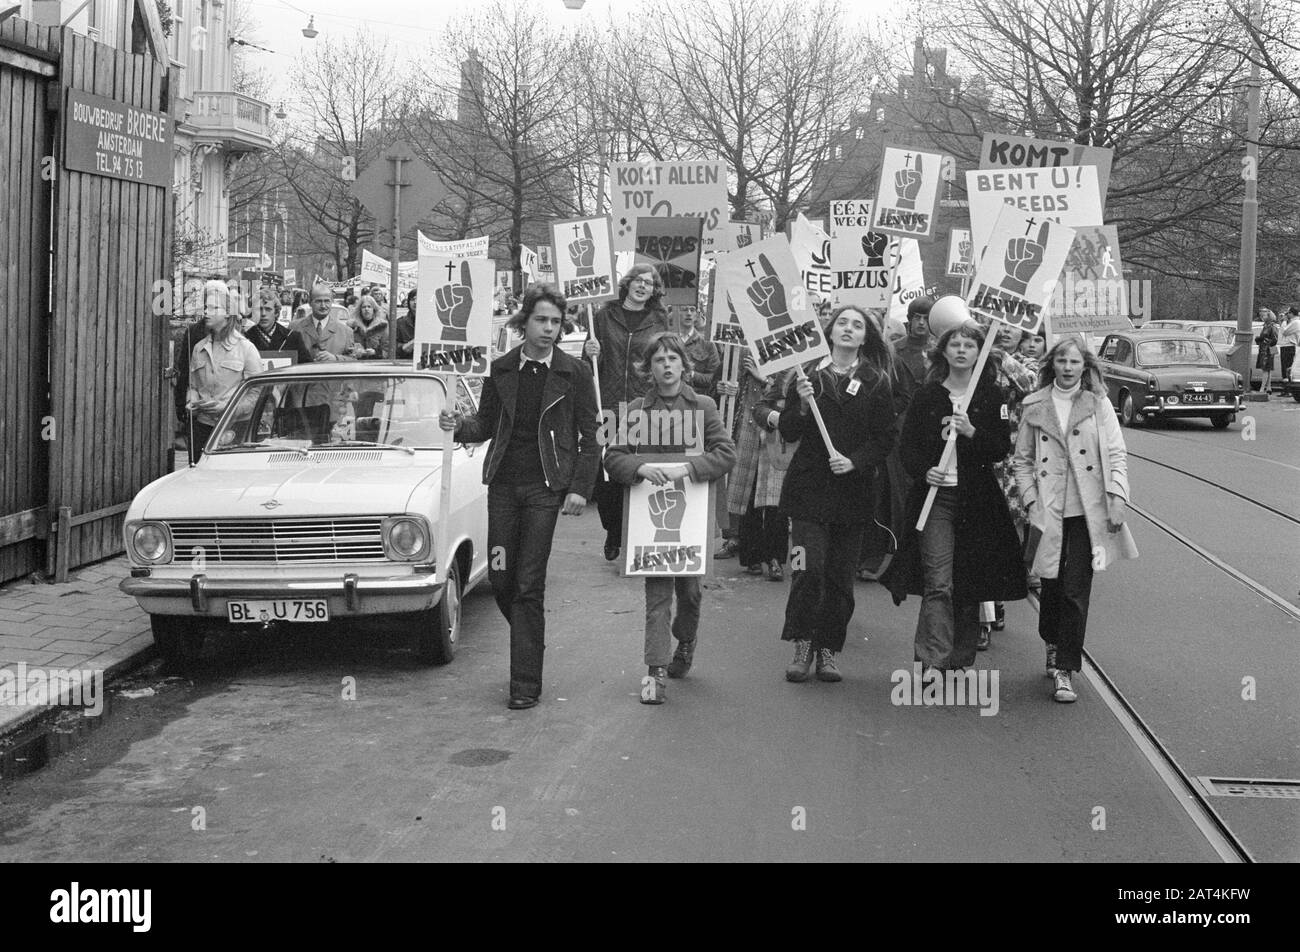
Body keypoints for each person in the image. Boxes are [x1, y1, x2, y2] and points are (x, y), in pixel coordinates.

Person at [439, 285, 600, 711]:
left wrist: (580, 488)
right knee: (500, 577)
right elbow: (484, 426)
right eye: (541, 320)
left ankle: (525, 682)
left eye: (556, 322)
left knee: (529, 584)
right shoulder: (501, 369)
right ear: (523, 322)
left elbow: (592, 436)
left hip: (545, 490)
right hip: (503, 488)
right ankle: (531, 636)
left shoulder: (574, 372)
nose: (549, 329)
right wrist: (456, 425)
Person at [884, 320, 1027, 673]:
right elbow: (908, 447)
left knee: (968, 581)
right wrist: (924, 471)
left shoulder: (989, 396)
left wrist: (972, 431)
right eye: (955, 345)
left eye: (969, 345)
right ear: (944, 352)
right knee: (938, 582)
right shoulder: (927, 395)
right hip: (936, 500)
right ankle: (931, 661)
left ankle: (960, 657)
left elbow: (999, 448)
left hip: (976, 502)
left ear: (979, 353)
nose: (962, 350)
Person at [604, 333, 736, 704]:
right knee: (657, 597)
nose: (666, 365)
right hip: (651, 521)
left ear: (683, 364)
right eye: (659, 359)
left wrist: (688, 468)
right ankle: (655, 672)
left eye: (672, 359)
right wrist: (640, 467)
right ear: (649, 367)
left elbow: (726, 453)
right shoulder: (636, 409)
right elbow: (613, 457)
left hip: (692, 518)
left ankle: (686, 640)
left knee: (690, 594)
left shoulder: (704, 406)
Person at [1013, 338, 1138, 702]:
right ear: (1052, 365)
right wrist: (1031, 500)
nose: (1068, 368)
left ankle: (1065, 668)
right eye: (1062, 361)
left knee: (1075, 589)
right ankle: (1052, 643)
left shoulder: (1098, 404)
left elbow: (1116, 452)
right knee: (1051, 585)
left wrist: (1118, 497)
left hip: (1088, 509)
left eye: (1074, 362)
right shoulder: (1035, 405)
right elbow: (1022, 460)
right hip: (1048, 511)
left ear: (1085, 367)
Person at [777, 306, 897, 683]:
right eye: (842, 323)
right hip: (808, 492)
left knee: (840, 577)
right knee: (807, 568)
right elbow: (789, 432)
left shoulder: (876, 381)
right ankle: (802, 642)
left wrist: (855, 461)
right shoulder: (807, 375)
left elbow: (885, 438)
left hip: (852, 494)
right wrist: (800, 404)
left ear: (865, 337)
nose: (848, 329)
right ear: (829, 332)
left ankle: (828, 647)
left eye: (857, 325)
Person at [583, 264, 672, 561]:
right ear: (628, 283)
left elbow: (666, 360)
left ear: (654, 290)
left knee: (638, 469)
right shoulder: (603, 316)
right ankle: (613, 530)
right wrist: (591, 353)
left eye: (649, 283)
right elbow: (588, 366)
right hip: (607, 405)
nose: (643, 286)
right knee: (607, 474)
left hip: (643, 406)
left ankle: (637, 535)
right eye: (638, 280)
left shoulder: (660, 320)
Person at [977, 321, 1039, 649]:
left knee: (1010, 537)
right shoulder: (977, 362)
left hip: (1015, 463)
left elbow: (1032, 385)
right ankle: (983, 614)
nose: (1003, 330)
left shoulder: (1027, 364)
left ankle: (998, 596)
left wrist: (1003, 358)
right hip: (983, 457)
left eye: (1011, 327)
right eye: (996, 325)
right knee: (981, 537)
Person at [186, 281, 262, 463]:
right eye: (206, 307)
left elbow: (256, 392)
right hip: (202, 428)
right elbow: (193, 385)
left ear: (228, 313)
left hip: (235, 428)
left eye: (213, 308)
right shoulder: (199, 348)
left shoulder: (246, 349)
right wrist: (192, 401)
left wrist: (228, 409)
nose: (206, 312)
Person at [293, 283, 358, 362]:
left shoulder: (346, 332)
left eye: (327, 301)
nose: (323, 306)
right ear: (310, 303)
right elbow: (288, 357)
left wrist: (335, 358)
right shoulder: (295, 328)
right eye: (318, 301)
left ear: (332, 302)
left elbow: (353, 360)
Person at [245, 287, 311, 364]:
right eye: (259, 309)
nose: (263, 314)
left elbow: (306, 366)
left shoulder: (293, 338)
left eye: (268, 309)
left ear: (276, 312)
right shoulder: (245, 338)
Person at [895, 297, 932, 386]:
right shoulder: (894, 349)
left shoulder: (937, 350)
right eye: (917, 317)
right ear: (910, 319)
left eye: (926, 318)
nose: (921, 322)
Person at [348, 293, 389, 359]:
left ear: (374, 309)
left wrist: (375, 352)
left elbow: (387, 350)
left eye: (369, 307)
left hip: (376, 363)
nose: (366, 309)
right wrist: (355, 351)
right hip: (357, 363)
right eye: (364, 307)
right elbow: (347, 348)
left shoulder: (382, 326)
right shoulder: (352, 327)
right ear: (360, 310)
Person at [1255, 312, 1279, 394]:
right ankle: (1268, 387)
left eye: (1264, 315)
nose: (1262, 316)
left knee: (1266, 369)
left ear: (1269, 317)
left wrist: (1262, 340)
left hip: (1268, 349)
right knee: (1268, 369)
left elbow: (1275, 340)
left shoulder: (1272, 326)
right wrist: (1259, 339)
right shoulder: (1266, 326)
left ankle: (1262, 388)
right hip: (1265, 348)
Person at [395, 289, 418, 360]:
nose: (415, 302)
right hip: (406, 362)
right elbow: (392, 345)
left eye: (418, 299)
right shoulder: (400, 322)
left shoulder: (431, 323)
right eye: (412, 299)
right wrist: (403, 347)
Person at [1280, 307, 1300, 383]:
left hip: (1289, 346)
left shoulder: (1295, 322)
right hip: (1291, 346)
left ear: (1292, 313)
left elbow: (1284, 332)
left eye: (1288, 313)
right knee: (1289, 366)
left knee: (1288, 366)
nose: (1287, 314)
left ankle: (1288, 384)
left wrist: (1284, 321)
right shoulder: (1294, 322)